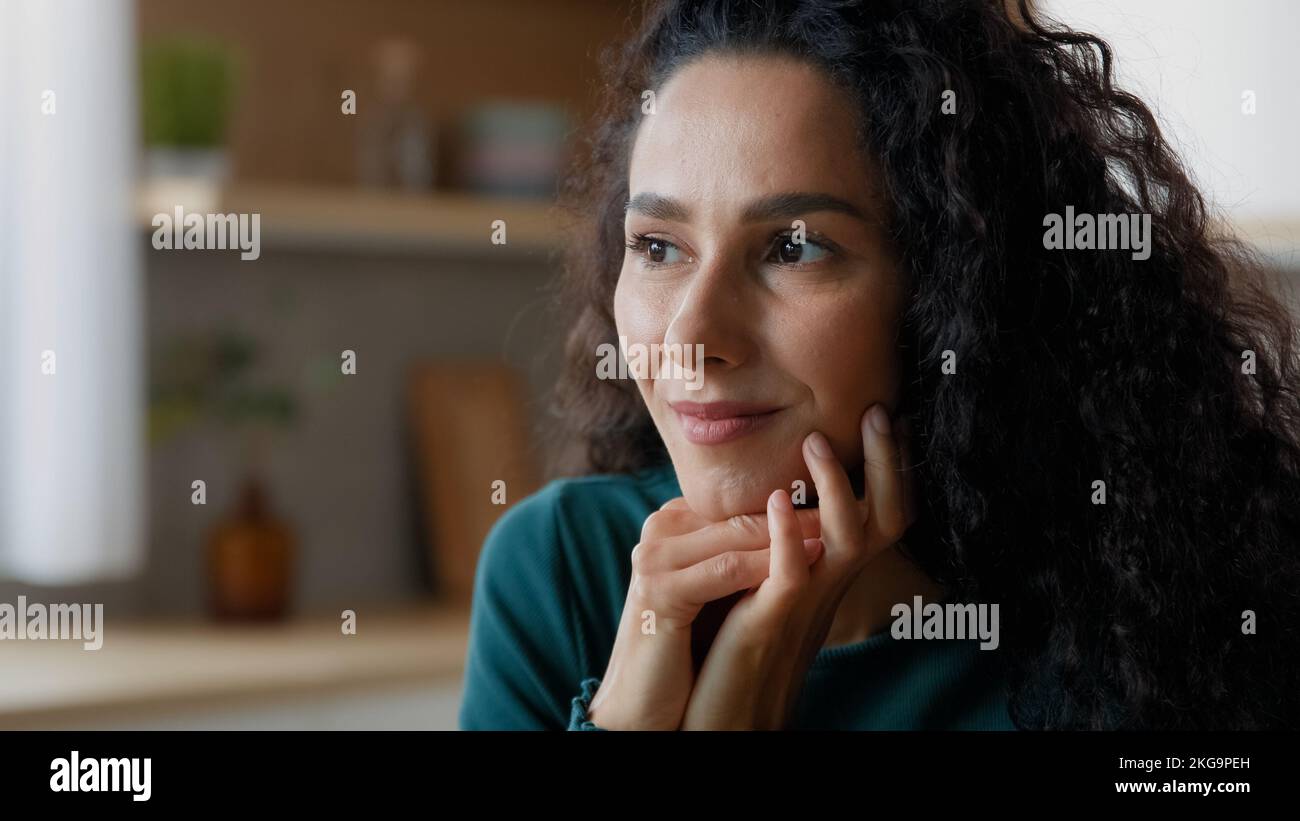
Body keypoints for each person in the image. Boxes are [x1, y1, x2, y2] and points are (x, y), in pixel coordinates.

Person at [459, 0, 1300, 730]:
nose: (690, 334)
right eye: (658, 246)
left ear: (947, 287)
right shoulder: (559, 571)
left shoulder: (1146, 635)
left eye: (794, 247)